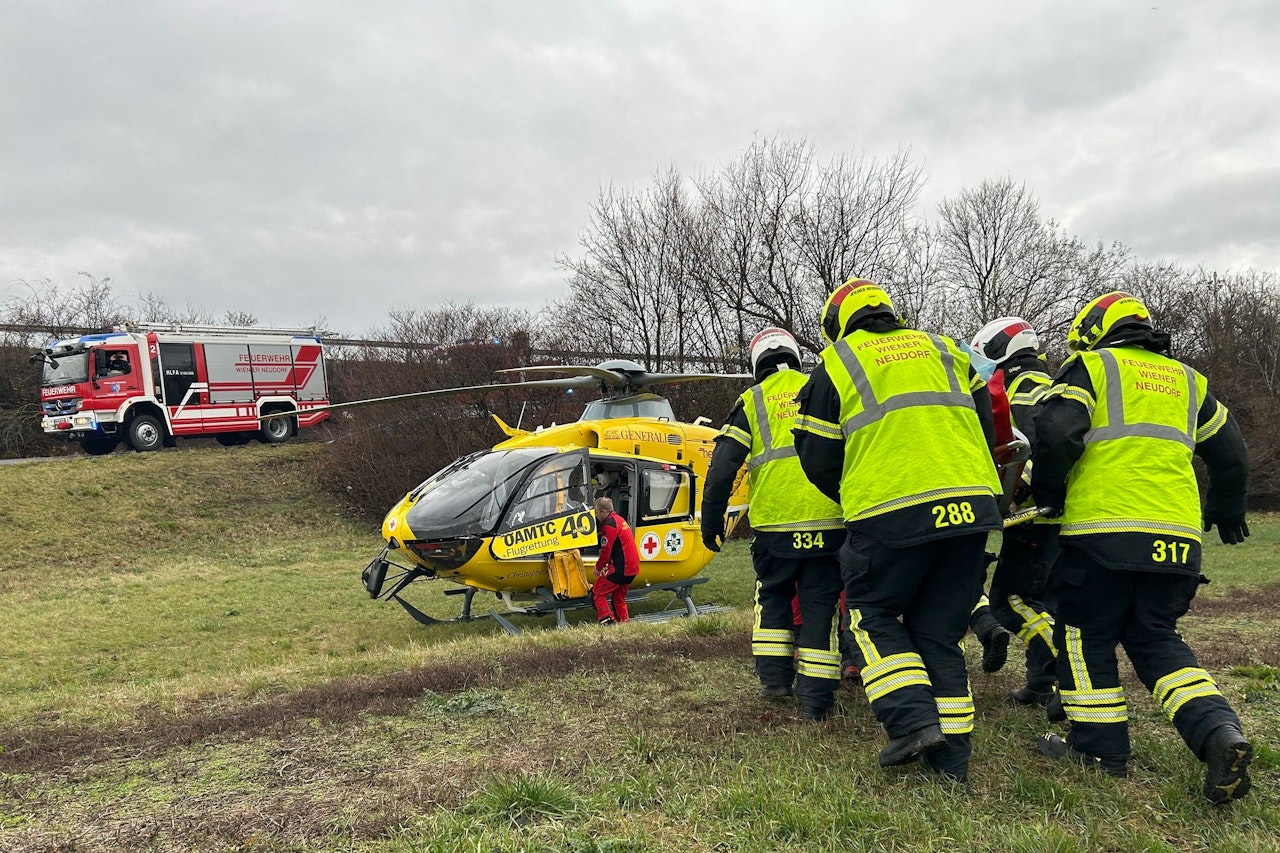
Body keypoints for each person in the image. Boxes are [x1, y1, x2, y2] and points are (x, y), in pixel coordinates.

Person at [1031, 291, 1252, 803]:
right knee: (1155, 637)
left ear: (1091, 332)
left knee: (1083, 635)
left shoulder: (1092, 366)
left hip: (1104, 531)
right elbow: (1232, 453)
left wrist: (1048, 493)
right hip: (1177, 538)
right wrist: (1227, 507)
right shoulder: (1189, 380)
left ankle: (1098, 750)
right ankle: (1219, 734)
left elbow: (1057, 432)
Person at [794, 277, 1003, 783]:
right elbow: (989, 423)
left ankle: (911, 722)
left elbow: (817, 455)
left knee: (871, 615)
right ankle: (951, 764)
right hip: (971, 509)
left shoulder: (838, 362)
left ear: (836, 324)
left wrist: (854, 490)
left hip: (890, 511)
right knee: (940, 634)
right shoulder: (947, 349)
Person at [701, 327, 845, 720]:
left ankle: (775, 680)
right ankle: (816, 699)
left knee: (773, 601)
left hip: (774, 529)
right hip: (829, 524)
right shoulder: (824, 386)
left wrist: (711, 519)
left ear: (756, 364)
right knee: (820, 608)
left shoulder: (752, 400)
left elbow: (723, 467)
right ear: (796, 356)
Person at [969, 317, 1061, 711]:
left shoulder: (1019, 390)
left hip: (1034, 514)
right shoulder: (1054, 384)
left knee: (1011, 601)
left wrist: (1015, 489)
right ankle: (1040, 685)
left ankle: (1068, 670)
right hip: (1066, 515)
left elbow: (1027, 446)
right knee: (1046, 602)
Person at [592, 496, 640, 625]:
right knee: (618, 597)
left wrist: (598, 567)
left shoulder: (609, 526)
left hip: (621, 568)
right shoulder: (619, 520)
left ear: (603, 512)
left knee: (597, 594)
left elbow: (606, 550)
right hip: (632, 568)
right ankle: (624, 623)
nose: (596, 516)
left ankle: (608, 621)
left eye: (596, 512)